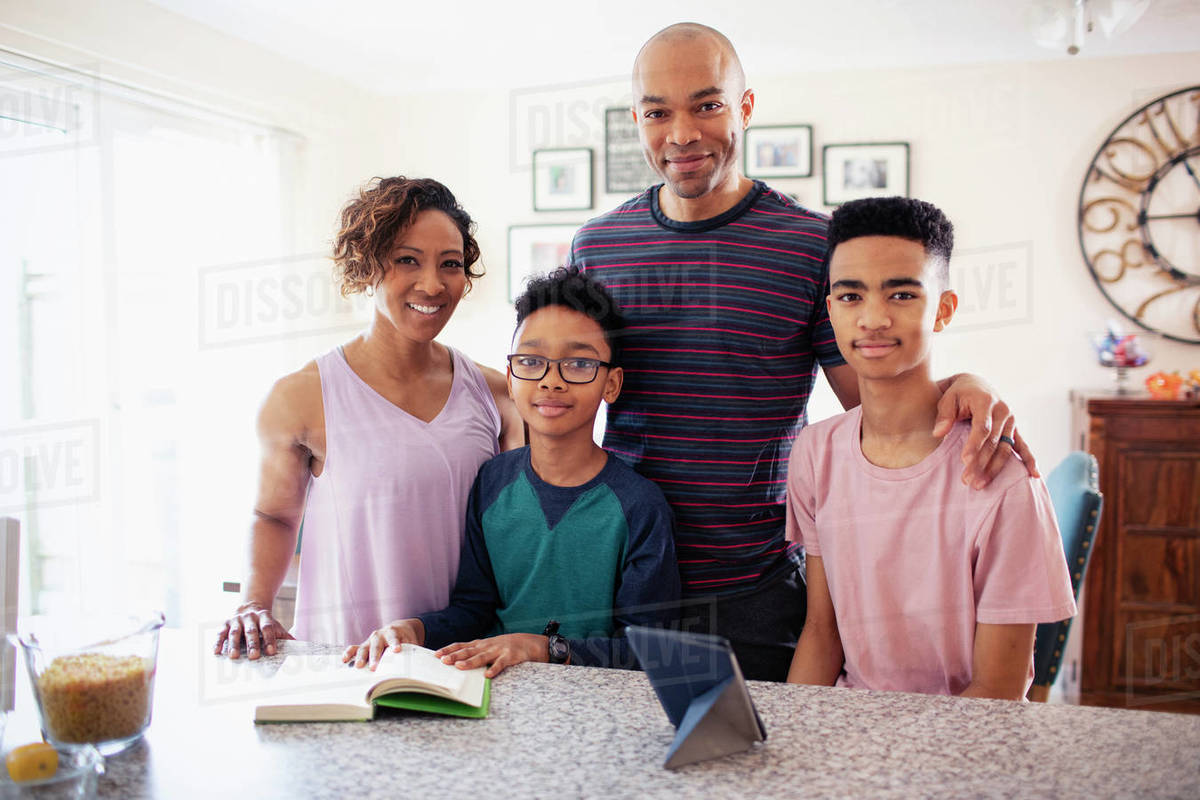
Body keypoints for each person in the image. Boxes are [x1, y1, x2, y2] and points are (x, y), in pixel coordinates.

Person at [570, 22, 1039, 681]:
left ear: (746, 107)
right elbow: (553, 396)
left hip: (754, 593)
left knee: (754, 777)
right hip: (620, 579)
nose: (681, 134)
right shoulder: (597, 247)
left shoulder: (810, 246)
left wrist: (966, 381)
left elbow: (879, 409)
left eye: (707, 105)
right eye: (658, 112)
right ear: (636, 120)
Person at [214, 176, 523, 659]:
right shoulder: (300, 397)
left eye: (451, 264)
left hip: (461, 661)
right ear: (366, 266)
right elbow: (273, 515)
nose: (433, 284)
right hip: (346, 662)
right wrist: (254, 604)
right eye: (407, 260)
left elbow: (517, 532)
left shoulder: (497, 393)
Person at [785, 197, 1075, 699]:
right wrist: (788, 742)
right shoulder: (815, 452)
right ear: (830, 310)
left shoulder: (1000, 478)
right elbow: (822, 633)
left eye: (900, 295)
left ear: (942, 310)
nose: (873, 319)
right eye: (851, 297)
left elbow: (997, 691)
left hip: (960, 747)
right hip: (846, 739)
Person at [344, 266, 680, 677]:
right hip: (492, 695)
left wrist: (543, 648)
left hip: (596, 709)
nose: (551, 381)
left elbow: (648, 650)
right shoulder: (492, 482)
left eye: (577, 364)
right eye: (531, 361)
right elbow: (472, 609)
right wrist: (414, 628)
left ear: (611, 384)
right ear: (510, 375)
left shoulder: (640, 506)